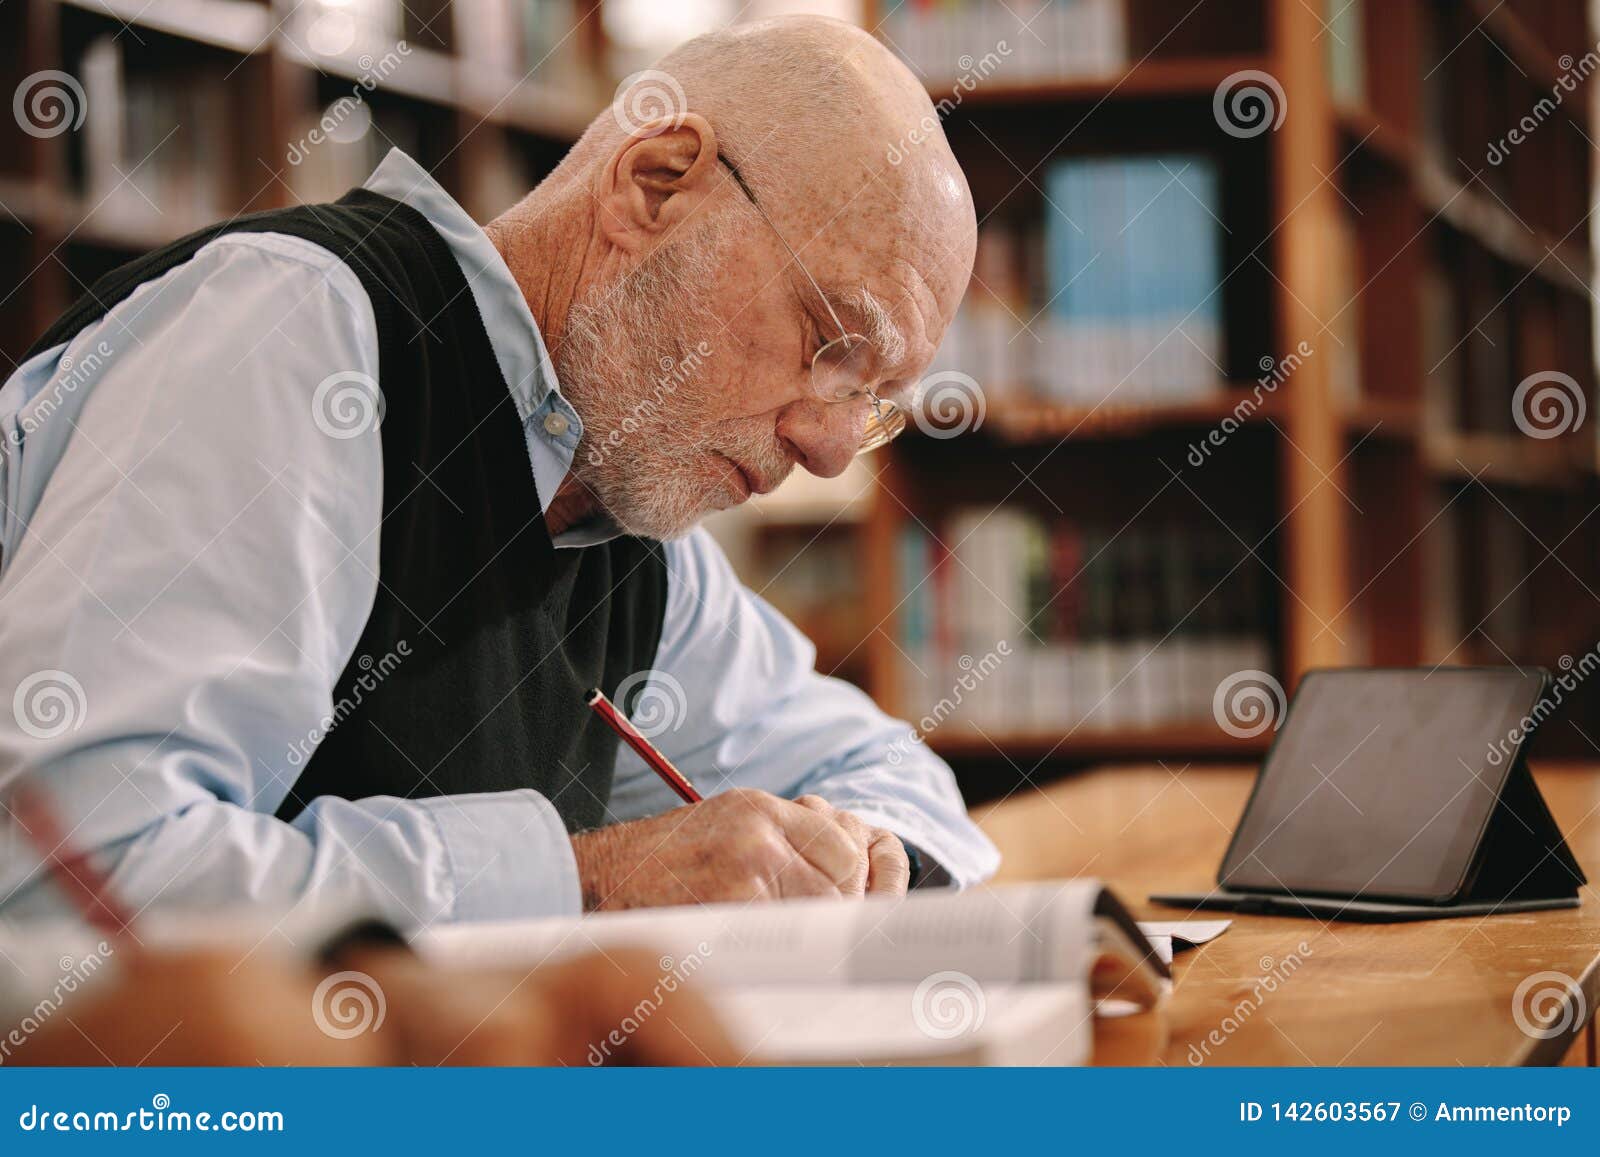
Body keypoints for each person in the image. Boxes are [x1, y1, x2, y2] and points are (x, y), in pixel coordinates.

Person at [0, 16, 997, 928]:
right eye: (829, 344)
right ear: (654, 182)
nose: (828, 447)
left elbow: (890, 779)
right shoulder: (293, 333)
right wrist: (588, 879)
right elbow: (57, 879)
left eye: (872, 400)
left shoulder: (626, 522)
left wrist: (858, 862)